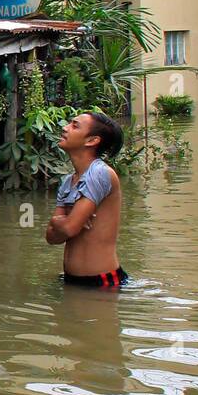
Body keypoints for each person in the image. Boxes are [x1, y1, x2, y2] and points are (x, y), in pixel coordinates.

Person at [44, 111, 126, 288]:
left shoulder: (100, 173)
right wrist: (60, 222)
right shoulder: (68, 181)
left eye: (74, 125)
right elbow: (51, 237)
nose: (65, 128)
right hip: (72, 281)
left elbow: (68, 228)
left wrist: (64, 222)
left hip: (101, 282)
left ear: (91, 140)